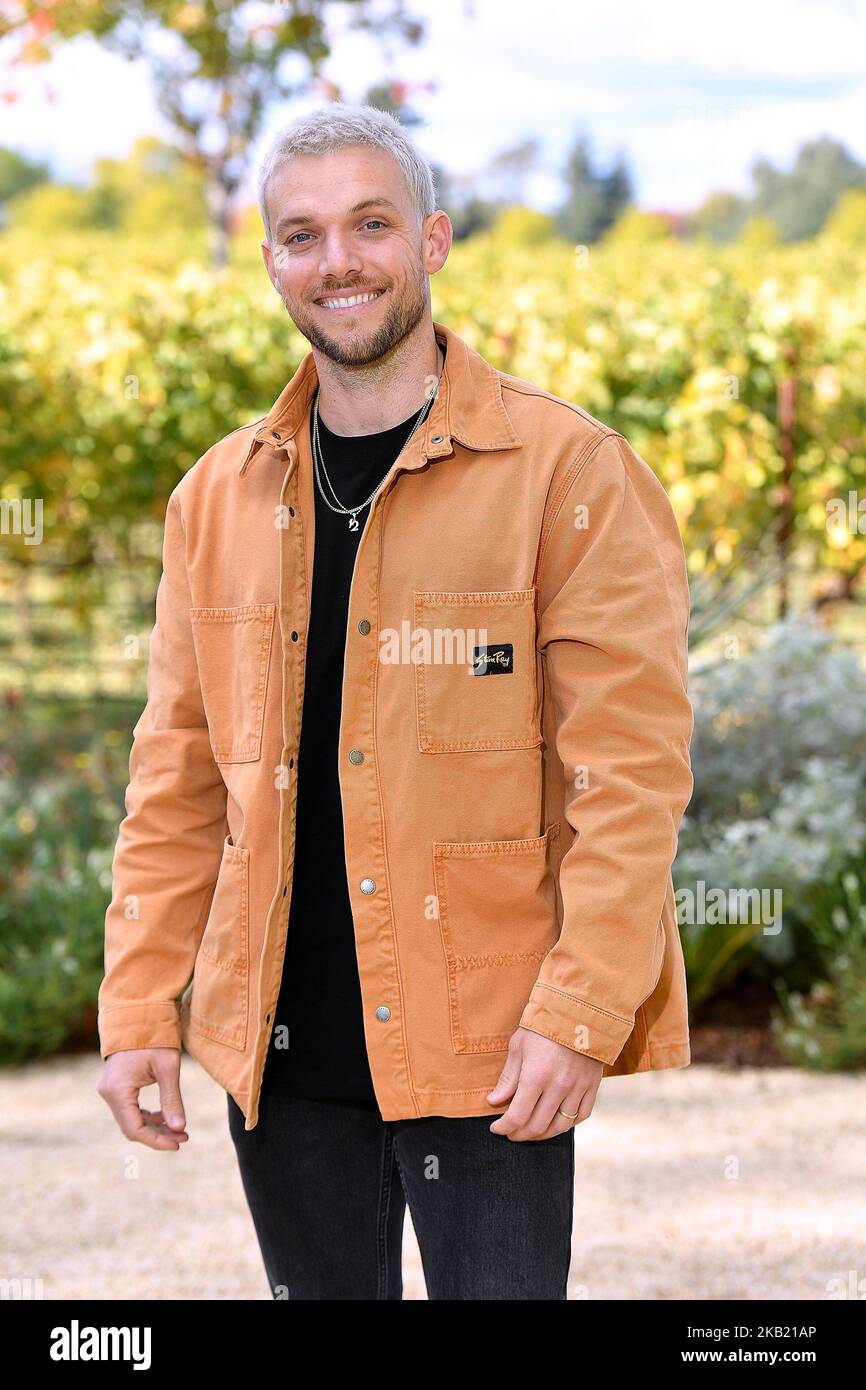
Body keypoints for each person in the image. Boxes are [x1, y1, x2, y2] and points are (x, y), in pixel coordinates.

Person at [97, 104, 694, 1301]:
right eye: (302, 234)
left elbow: (625, 778)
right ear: (269, 261)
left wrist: (578, 1011)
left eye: (369, 224)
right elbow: (175, 774)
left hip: (488, 1050)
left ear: (430, 239)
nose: (338, 261)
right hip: (281, 1055)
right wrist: (136, 1007)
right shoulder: (214, 498)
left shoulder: (565, 472)